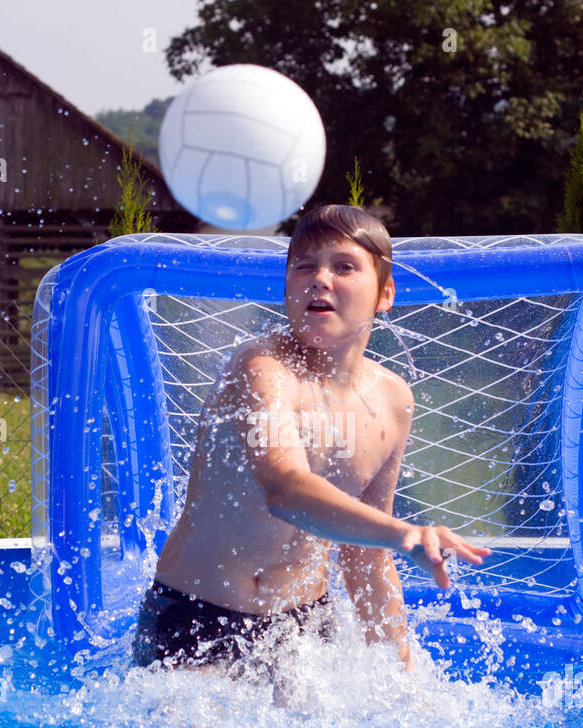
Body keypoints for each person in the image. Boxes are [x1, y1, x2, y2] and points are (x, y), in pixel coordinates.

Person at [131, 204, 490, 676]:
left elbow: (365, 557)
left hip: (300, 629)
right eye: (304, 266)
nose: (320, 279)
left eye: (344, 267)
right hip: (197, 620)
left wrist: (404, 674)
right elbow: (285, 489)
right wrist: (406, 534)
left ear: (385, 294)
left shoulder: (392, 401)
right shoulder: (261, 369)